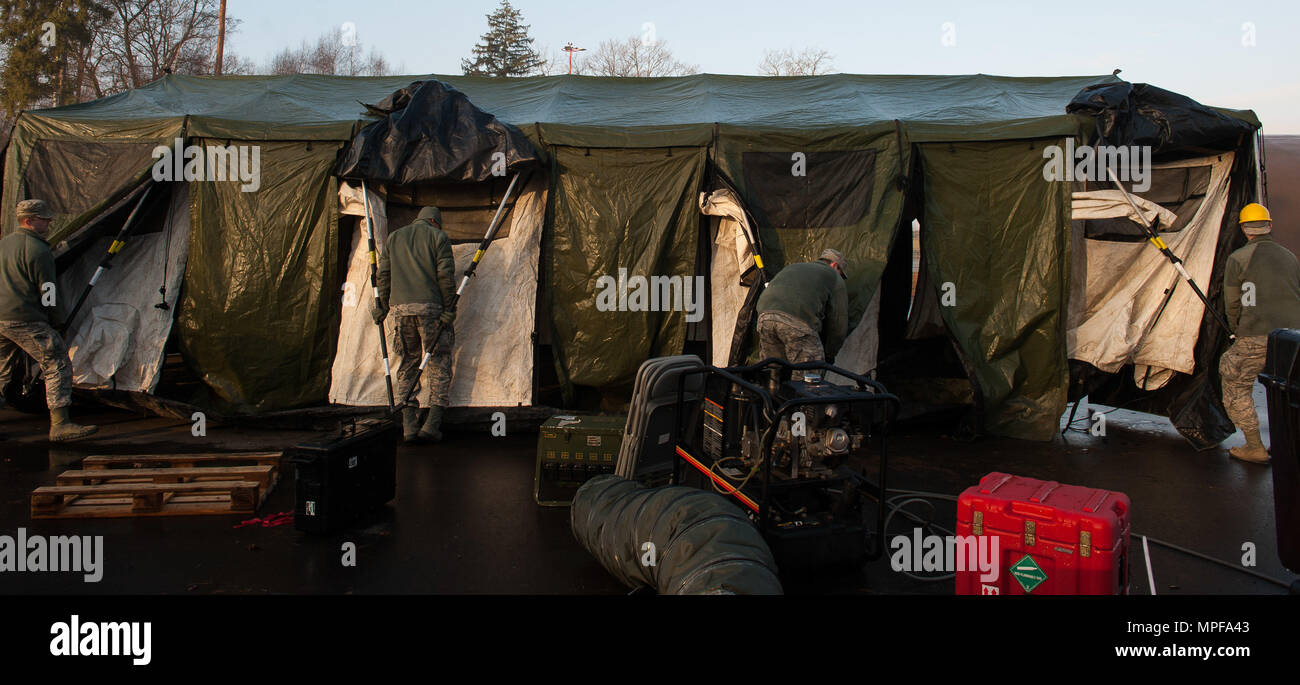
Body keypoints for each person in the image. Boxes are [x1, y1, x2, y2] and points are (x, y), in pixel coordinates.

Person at [0, 199, 98, 442]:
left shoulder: (4, 245)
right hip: (25, 319)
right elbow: (49, 292)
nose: (49, 223)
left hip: (1, 319)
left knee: (1, 370)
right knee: (57, 362)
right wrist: (57, 320)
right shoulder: (37, 249)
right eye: (44, 219)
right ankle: (60, 424)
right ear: (30, 220)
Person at [1220, 202, 1300, 464]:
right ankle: (1289, 445)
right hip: (1292, 340)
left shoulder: (1238, 259)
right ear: (1270, 226)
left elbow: (1232, 303)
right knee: (1287, 390)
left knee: (1233, 379)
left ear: (1244, 228)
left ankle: (1254, 447)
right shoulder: (1290, 256)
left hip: (1255, 335)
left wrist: (1236, 331)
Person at [372, 206, 456, 443]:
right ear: (434, 222)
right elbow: (445, 276)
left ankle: (408, 425)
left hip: (401, 310)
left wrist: (382, 306)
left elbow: (383, 275)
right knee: (438, 360)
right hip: (431, 309)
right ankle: (432, 425)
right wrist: (450, 308)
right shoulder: (438, 237)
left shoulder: (394, 237)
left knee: (408, 362)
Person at [755, 248, 849, 376]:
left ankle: (767, 394)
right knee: (808, 380)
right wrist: (829, 354)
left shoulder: (794, 267)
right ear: (834, 265)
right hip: (797, 322)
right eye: (841, 274)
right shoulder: (834, 277)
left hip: (765, 317)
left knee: (772, 375)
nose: (841, 278)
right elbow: (838, 324)